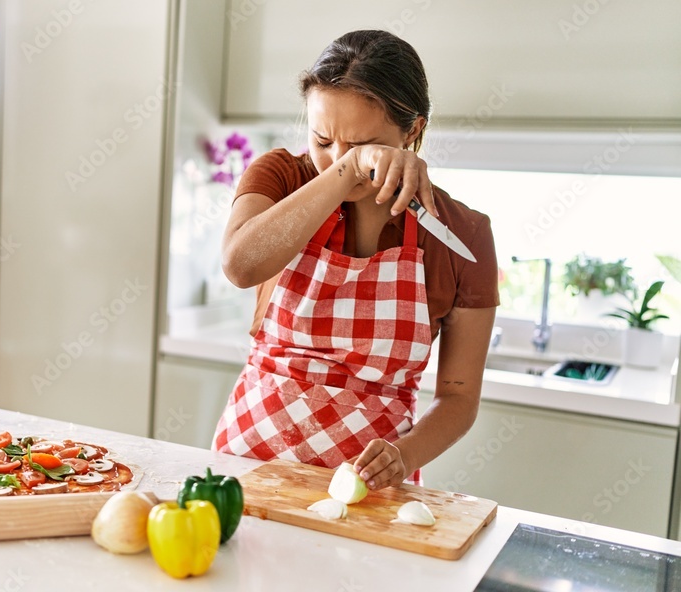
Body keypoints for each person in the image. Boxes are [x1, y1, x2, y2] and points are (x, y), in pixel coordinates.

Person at [212, 30, 499, 491]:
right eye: (322, 139)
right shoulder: (282, 176)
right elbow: (240, 266)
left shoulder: (463, 233)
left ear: (413, 130)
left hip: (366, 490)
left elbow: (459, 399)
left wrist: (402, 457)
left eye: (364, 142)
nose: (334, 159)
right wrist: (349, 169)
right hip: (248, 463)